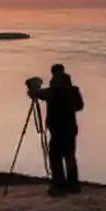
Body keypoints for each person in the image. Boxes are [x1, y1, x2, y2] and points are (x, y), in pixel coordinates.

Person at [32, 63, 84, 195]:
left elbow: (37, 94)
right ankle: (73, 185)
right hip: (70, 128)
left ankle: (59, 185)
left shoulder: (53, 90)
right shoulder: (73, 90)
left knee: (55, 156)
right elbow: (79, 106)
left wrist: (33, 88)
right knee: (69, 156)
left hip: (56, 129)